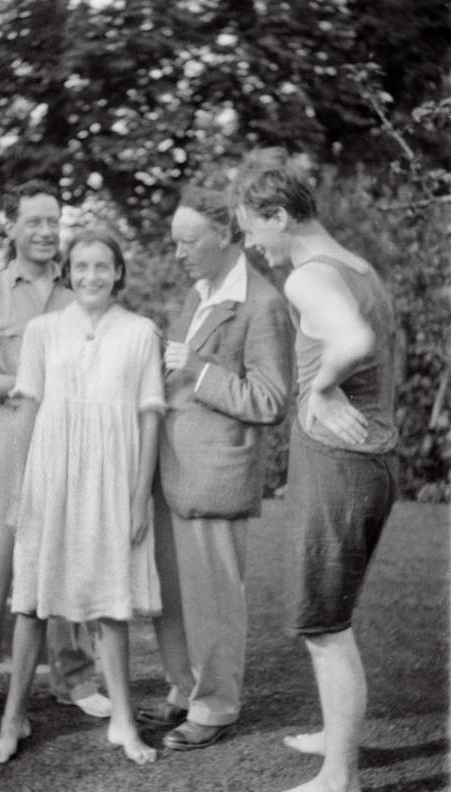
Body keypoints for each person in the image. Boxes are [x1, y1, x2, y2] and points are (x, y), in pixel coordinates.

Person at [232, 155, 398, 792]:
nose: (251, 243)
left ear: (280, 216)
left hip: (340, 465)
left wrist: (324, 389)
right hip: (369, 463)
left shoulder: (308, 278)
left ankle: (340, 777)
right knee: (332, 616)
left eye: (254, 229)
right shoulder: (356, 266)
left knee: (325, 626)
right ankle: (337, 735)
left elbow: (354, 341)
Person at [0, 181, 111, 735]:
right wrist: (19, 381)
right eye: (33, 221)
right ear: (10, 226)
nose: (44, 232)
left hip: (70, 451)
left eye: (52, 221)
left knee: (66, 564)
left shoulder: (80, 290)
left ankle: (76, 680)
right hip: (5, 446)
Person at [0, 229, 165, 765]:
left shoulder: (141, 333)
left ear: (118, 274)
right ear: (68, 271)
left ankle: (124, 722)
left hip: (112, 482)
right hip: (51, 479)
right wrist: (20, 490)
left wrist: (138, 500)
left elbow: (150, 417)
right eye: (81, 266)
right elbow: (27, 411)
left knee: (112, 607)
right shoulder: (42, 331)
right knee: (33, 604)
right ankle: (13, 719)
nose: (91, 276)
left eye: (102, 267)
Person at [137, 185, 294, 750]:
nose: (178, 253)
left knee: (215, 600)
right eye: (175, 241)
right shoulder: (197, 292)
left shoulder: (265, 303)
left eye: (188, 241)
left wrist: (198, 370)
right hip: (170, 467)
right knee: (172, 595)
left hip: (216, 474)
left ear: (227, 235)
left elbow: (271, 400)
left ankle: (217, 706)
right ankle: (184, 690)